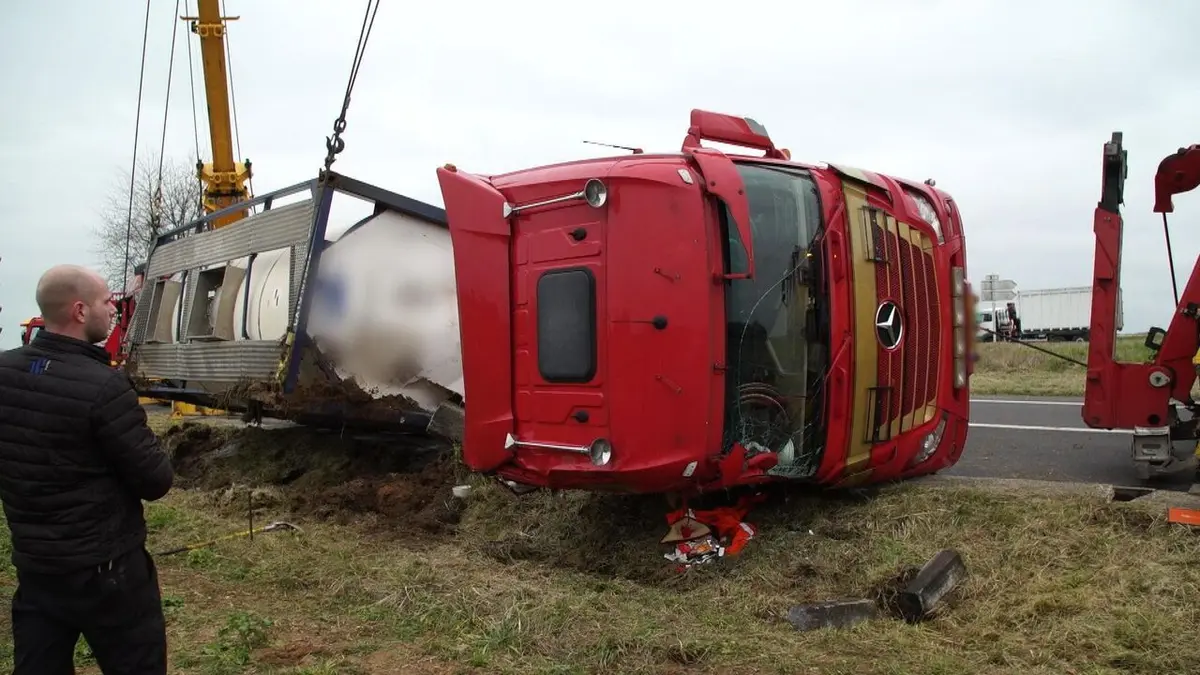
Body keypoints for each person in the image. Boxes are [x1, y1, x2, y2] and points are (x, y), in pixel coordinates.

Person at [0, 264, 174, 674]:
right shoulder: (104, 387)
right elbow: (156, 480)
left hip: (37, 571)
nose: (114, 308)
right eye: (106, 301)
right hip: (108, 576)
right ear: (80, 311)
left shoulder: (3, 376)